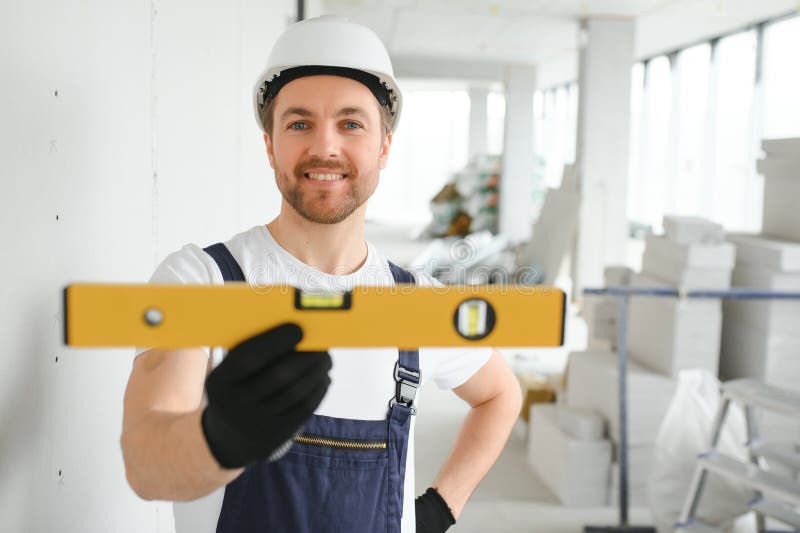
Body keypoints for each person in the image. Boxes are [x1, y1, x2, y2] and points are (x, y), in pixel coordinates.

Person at [121, 15, 522, 533]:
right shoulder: (202, 282)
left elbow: (500, 394)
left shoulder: (417, 305)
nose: (325, 147)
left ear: (384, 147)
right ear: (270, 145)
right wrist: (218, 439)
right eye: (299, 123)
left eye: (351, 123)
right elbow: (147, 464)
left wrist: (438, 510)